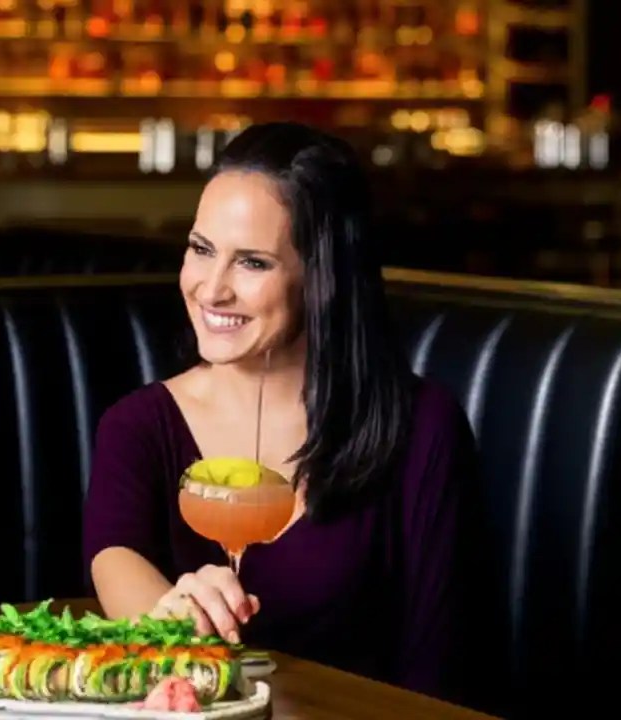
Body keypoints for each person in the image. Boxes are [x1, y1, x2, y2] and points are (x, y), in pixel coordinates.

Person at [82, 122, 476, 700]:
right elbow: (116, 559)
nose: (211, 289)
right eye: (201, 249)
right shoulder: (138, 426)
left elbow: (441, 677)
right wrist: (171, 621)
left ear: (323, 278)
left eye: (253, 263)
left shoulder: (422, 428)